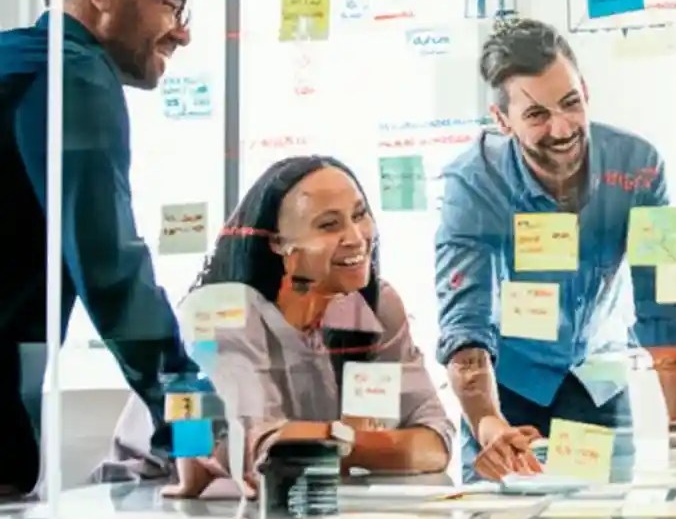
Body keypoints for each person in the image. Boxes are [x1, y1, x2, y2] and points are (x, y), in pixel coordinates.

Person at [98, 156, 454, 492]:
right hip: (154, 502)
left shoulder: (374, 307)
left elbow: (434, 441)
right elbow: (259, 448)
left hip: (289, 504)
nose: (356, 237)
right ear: (278, 244)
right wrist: (369, 446)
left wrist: (331, 443)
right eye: (328, 225)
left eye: (359, 215)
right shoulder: (221, 313)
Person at [436, 17, 676, 481]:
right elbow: (464, 322)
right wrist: (488, 423)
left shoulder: (640, 167)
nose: (562, 127)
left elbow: (663, 301)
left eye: (570, 103)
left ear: (586, 91)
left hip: (598, 382)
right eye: (536, 115)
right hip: (506, 389)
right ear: (502, 121)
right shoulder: (472, 184)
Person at [0, 0, 198, 496]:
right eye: (171, 4)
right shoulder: (72, 71)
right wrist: (196, 426)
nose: (182, 33)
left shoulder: (19, 61)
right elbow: (112, 271)